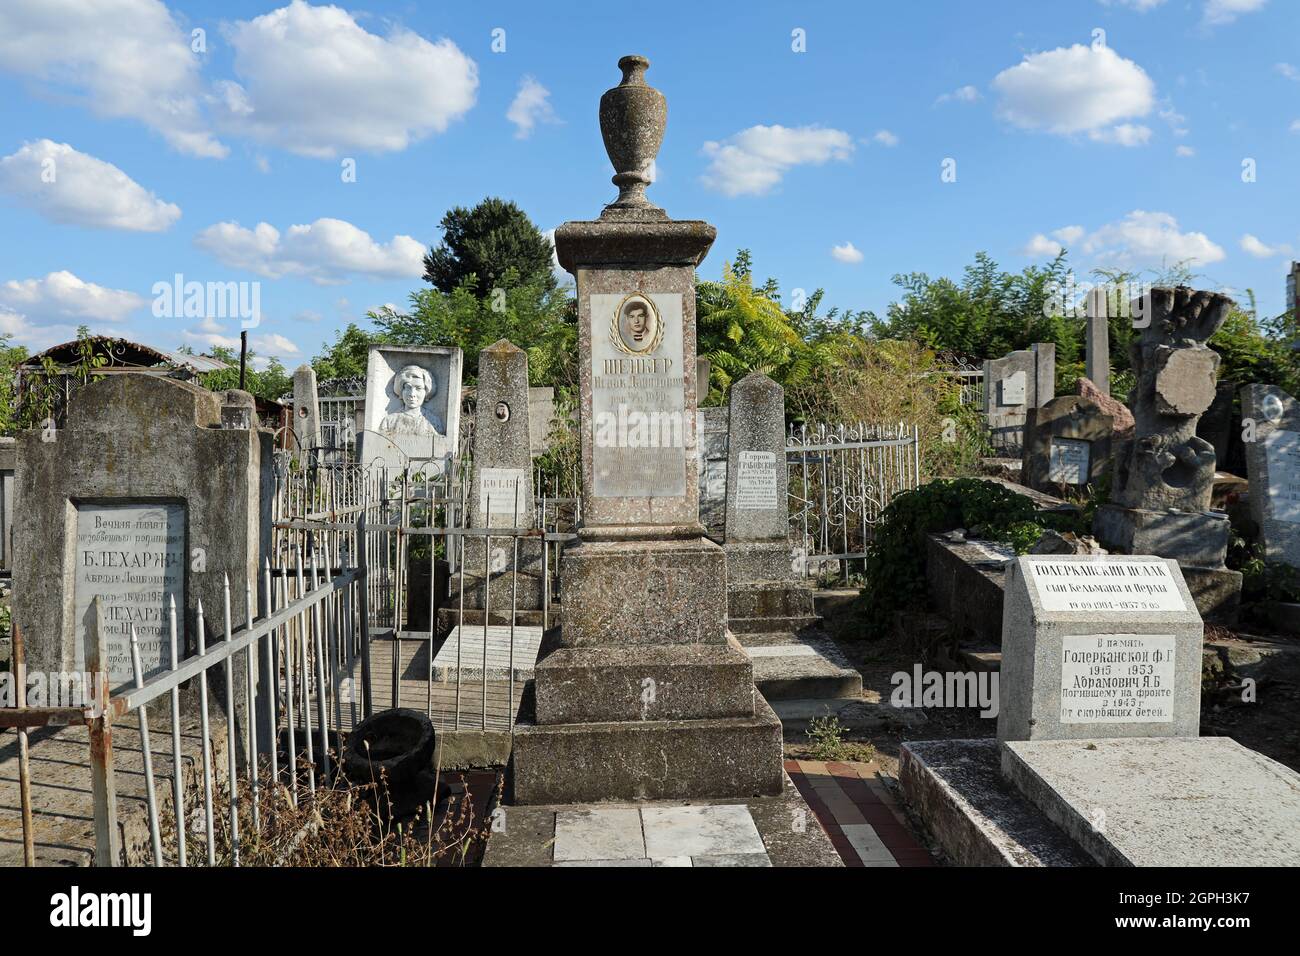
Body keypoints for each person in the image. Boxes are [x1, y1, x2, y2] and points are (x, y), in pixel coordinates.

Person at [379, 365, 445, 436]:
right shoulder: (389, 422)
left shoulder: (434, 422)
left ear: (426, 392)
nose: (412, 394)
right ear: (401, 391)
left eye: (418, 388)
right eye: (408, 388)